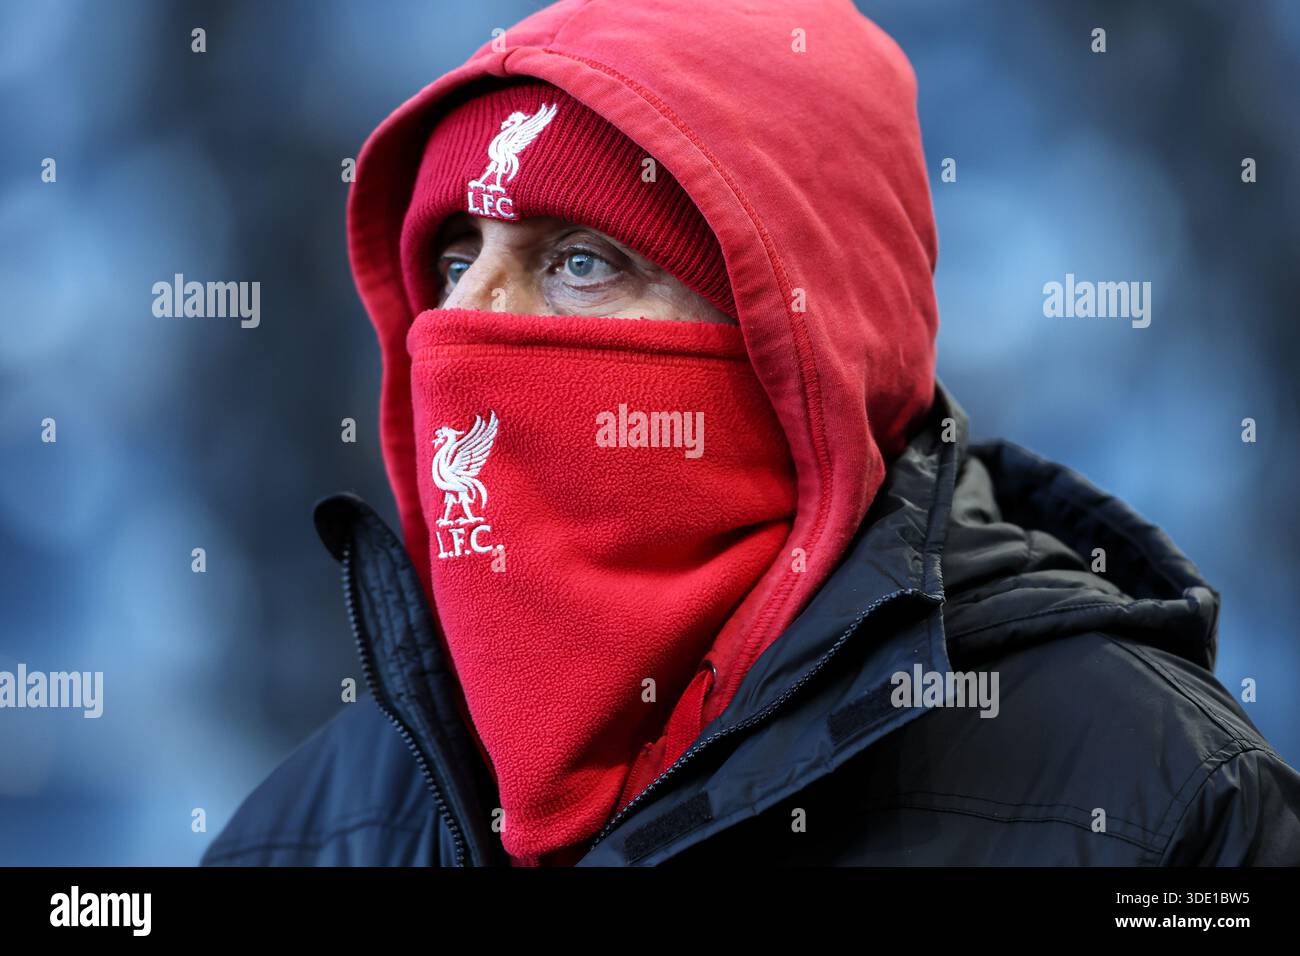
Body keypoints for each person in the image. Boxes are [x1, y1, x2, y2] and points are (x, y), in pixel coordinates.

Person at [201, 0, 1300, 866]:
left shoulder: (1154, 801)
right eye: (453, 260)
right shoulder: (304, 831)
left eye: (579, 261)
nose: (467, 327)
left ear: (800, 350)